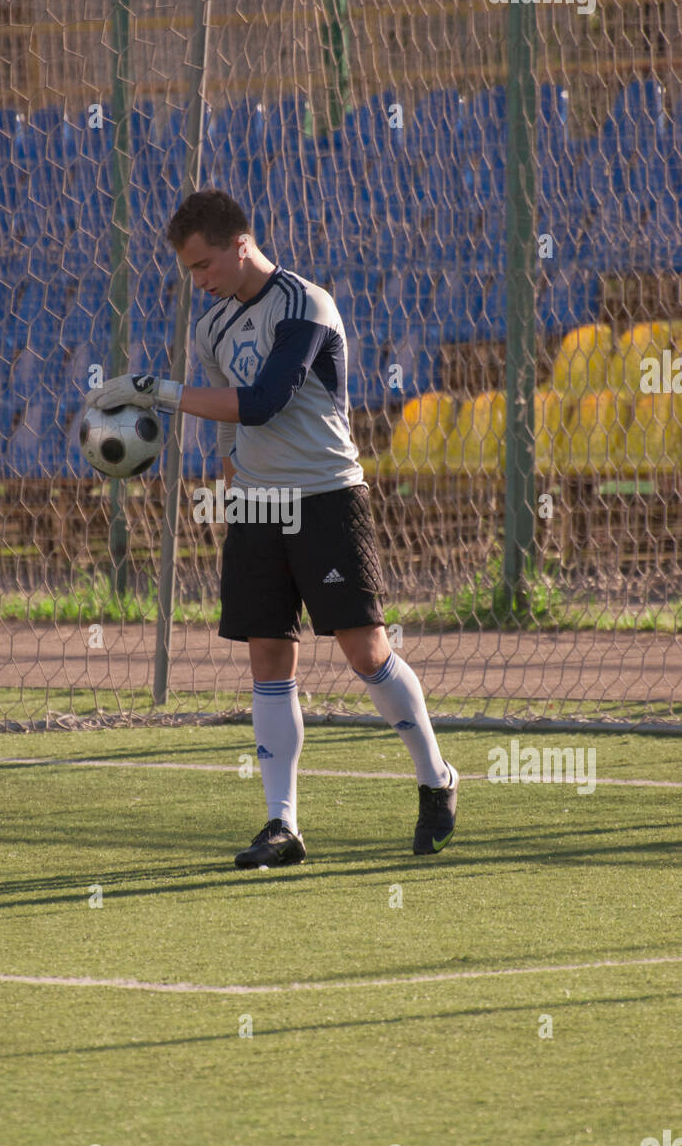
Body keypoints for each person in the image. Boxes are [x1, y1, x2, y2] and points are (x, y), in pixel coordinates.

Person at [91, 188, 459, 866]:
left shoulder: (305, 305)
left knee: (365, 652)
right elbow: (234, 428)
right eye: (189, 272)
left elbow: (263, 402)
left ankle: (436, 780)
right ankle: (281, 825)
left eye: (204, 266)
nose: (199, 282)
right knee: (267, 654)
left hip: (325, 496)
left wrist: (155, 391)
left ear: (240, 243)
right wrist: (234, 489)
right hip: (259, 504)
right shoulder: (211, 328)